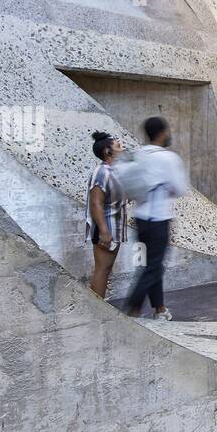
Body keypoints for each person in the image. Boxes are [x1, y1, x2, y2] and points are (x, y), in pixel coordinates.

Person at [122, 116, 188, 321]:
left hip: (140, 218)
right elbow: (180, 189)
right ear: (162, 133)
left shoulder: (139, 154)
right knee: (153, 266)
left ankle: (159, 309)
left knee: (151, 265)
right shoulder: (168, 158)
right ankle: (132, 310)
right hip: (159, 218)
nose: (169, 134)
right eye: (167, 131)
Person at [85, 130, 127, 299]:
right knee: (102, 270)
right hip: (106, 231)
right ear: (108, 152)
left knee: (106, 269)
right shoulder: (101, 172)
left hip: (114, 229)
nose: (122, 147)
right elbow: (96, 203)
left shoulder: (113, 172)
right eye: (118, 145)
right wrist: (104, 231)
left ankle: (99, 307)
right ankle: (95, 310)